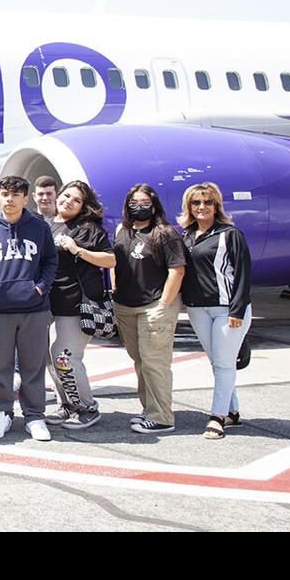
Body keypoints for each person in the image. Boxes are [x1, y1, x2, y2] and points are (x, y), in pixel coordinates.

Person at [0, 175, 58, 442]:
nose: (9, 199)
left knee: (33, 365)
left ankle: (34, 416)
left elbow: (50, 263)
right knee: (1, 365)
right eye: (5, 194)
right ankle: (2, 412)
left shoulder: (39, 228)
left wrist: (40, 288)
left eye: (15, 195)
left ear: (25, 198)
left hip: (34, 308)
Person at [178, 182, 252, 440]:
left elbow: (243, 274)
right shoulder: (186, 236)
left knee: (222, 363)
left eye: (208, 202)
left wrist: (237, 311)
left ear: (216, 205)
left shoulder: (230, 234)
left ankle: (216, 417)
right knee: (219, 362)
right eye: (196, 202)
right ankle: (232, 411)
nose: (202, 207)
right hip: (198, 309)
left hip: (227, 309)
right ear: (189, 206)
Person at [112, 184, 187, 435]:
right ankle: (149, 408)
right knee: (141, 361)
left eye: (145, 203)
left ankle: (162, 416)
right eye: (134, 202)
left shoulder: (165, 233)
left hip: (155, 305)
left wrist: (164, 304)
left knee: (155, 361)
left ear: (154, 206)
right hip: (125, 304)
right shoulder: (122, 230)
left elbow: (177, 270)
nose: (139, 207)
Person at [44, 180, 116, 430]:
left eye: (76, 200)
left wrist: (78, 250)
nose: (68, 202)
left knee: (64, 356)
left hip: (76, 304)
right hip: (49, 303)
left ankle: (87, 407)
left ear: (84, 206)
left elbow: (110, 259)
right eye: (66, 196)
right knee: (50, 358)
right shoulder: (48, 225)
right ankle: (68, 404)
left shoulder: (89, 229)